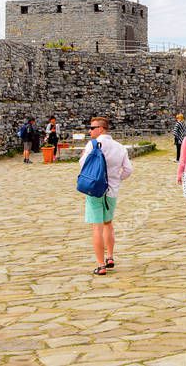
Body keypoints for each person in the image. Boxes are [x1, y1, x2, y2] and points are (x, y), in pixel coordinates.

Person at [79, 117, 133, 275]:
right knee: (108, 223)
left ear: (101, 129)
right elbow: (128, 169)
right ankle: (110, 256)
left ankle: (101, 265)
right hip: (112, 190)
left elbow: (82, 164)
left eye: (92, 127)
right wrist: (116, 179)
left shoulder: (92, 145)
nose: (90, 130)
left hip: (95, 189)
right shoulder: (120, 147)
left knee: (97, 226)